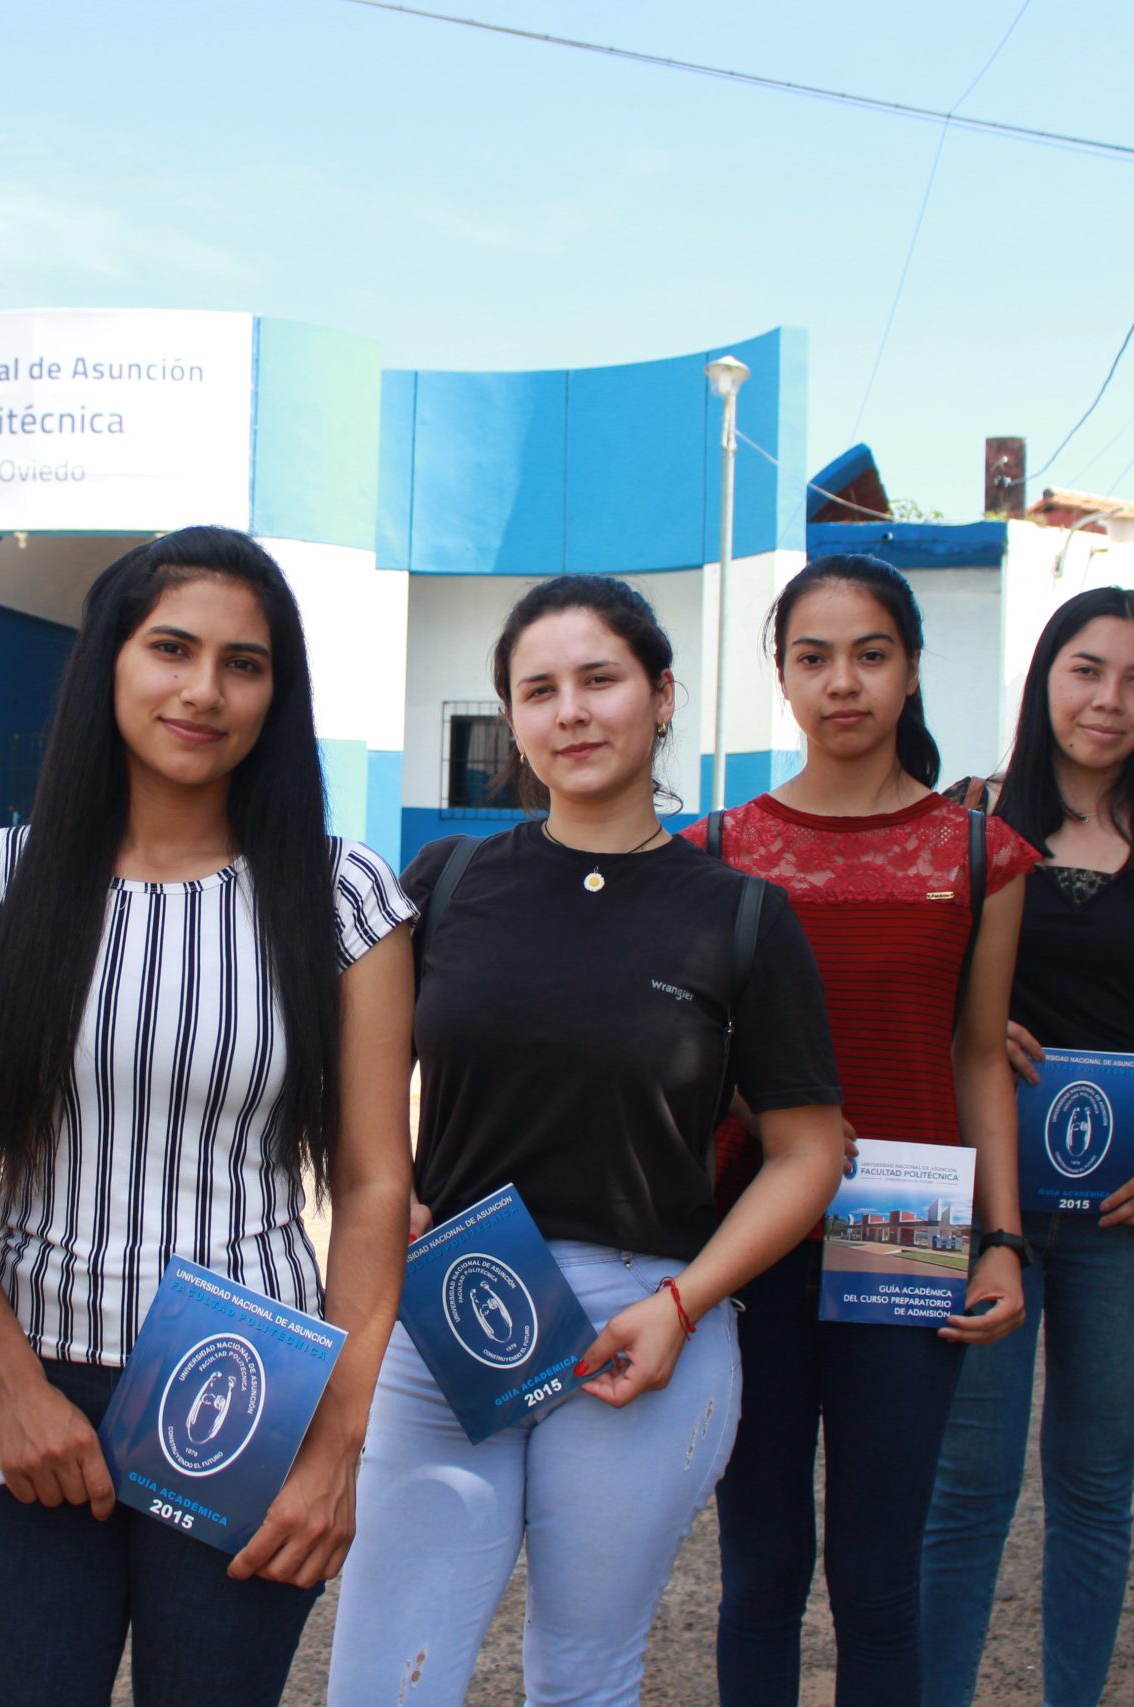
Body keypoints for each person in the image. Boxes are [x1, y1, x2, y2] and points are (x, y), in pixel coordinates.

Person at [0, 527, 416, 1707]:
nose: (204, 690)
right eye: (171, 649)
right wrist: (11, 1386)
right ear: (109, 666)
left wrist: (335, 1448)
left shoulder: (344, 896)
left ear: (275, 695)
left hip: (249, 1395)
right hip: (37, 1404)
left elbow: (374, 1187)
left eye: (244, 663)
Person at [327, 574, 846, 1707]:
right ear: (511, 718)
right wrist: (386, 1199)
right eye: (537, 690)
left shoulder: (741, 915)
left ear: (662, 697)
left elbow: (809, 1152)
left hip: (643, 1326)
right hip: (451, 1310)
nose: (570, 712)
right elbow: (352, 1093)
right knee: (385, 1675)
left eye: (599, 680)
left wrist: (682, 1304)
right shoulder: (446, 885)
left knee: (583, 1673)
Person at [688, 554, 1038, 1707]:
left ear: (912, 671)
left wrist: (1002, 1241)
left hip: (907, 1226)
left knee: (879, 1579)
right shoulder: (717, 852)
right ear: (780, 677)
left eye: (871, 654)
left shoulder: (977, 854)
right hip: (754, 1235)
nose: (843, 683)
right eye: (813, 657)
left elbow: (976, 1055)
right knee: (761, 1569)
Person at [918, 586, 1134, 1707]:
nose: (1108, 700)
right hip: (981, 1181)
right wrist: (964, 1018)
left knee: (1094, 1483)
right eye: (1085, 669)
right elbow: (904, 987)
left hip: (1129, 1192)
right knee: (964, 1484)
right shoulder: (967, 816)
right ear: (1043, 676)